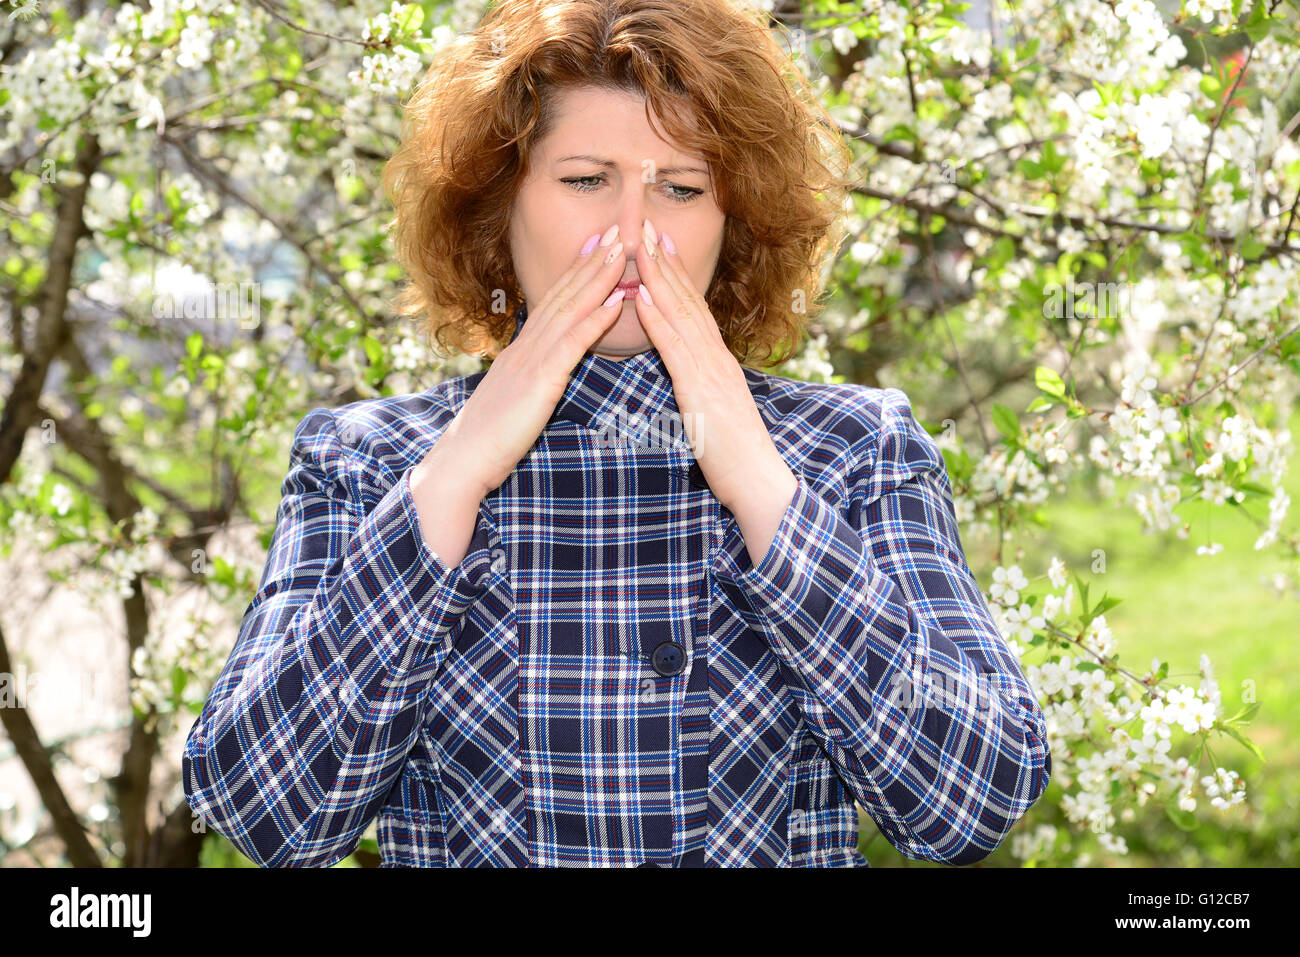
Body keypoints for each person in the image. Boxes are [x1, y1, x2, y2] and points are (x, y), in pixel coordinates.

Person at [181, 0, 1051, 868]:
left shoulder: (855, 448)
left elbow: (972, 802)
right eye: (586, 180)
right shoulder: (366, 462)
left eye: (682, 189)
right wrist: (452, 480)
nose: (633, 233)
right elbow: (266, 816)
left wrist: (761, 486)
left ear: (736, 220)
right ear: (499, 203)